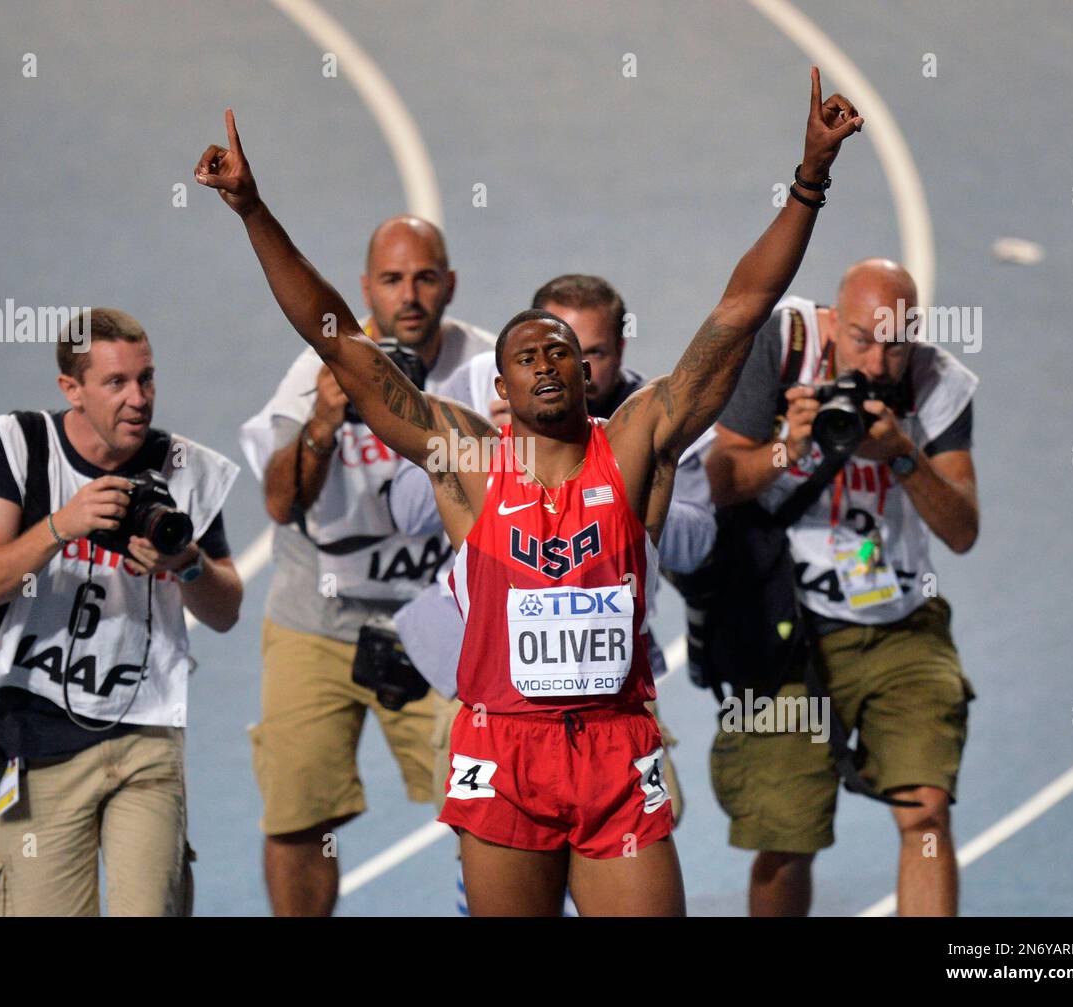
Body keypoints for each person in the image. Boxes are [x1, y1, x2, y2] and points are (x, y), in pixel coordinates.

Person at [196, 67, 862, 915]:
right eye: (528, 355)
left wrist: (810, 179)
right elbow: (333, 335)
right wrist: (253, 210)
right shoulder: (465, 457)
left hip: (617, 744)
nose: (550, 361)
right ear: (497, 390)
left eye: (563, 352)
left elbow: (741, 308)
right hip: (501, 747)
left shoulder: (634, 445)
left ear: (588, 376)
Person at [386, 274, 717, 830]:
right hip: (488, 686)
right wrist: (498, 459)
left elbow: (698, 541)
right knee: (493, 847)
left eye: (589, 354)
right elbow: (408, 510)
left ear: (610, 355)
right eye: (535, 356)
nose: (550, 369)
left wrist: (621, 496)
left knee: (655, 824)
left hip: (605, 684)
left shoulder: (650, 420)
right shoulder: (478, 396)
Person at [702, 258, 980, 916]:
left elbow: (963, 529)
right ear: (833, 321)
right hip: (790, 626)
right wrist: (788, 448)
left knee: (928, 818)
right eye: (862, 338)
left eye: (896, 342)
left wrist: (903, 457)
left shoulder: (939, 383)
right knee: (786, 837)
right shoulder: (784, 342)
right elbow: (717, 480)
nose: (879, 362)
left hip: (902, 624)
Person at [238, 215, 494, 916]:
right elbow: (280, 501)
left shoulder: (484, 367)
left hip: (438, 619)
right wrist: (324, 422)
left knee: (491, 796)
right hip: (318, 619)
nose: (408, 295)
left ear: (449, 284)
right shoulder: (319, 368)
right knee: (297, 814)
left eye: (423, 277)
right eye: (391, 279)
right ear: (365, 290)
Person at [0, 307, 242, 916]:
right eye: (116, 383)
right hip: (36, 741)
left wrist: (186, 562)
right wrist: (62, 525)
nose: (138, 399)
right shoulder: (16, 446)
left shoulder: (182, 467)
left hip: (146, 734)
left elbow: (225, 610)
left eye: (147, 379)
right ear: (72, 390)